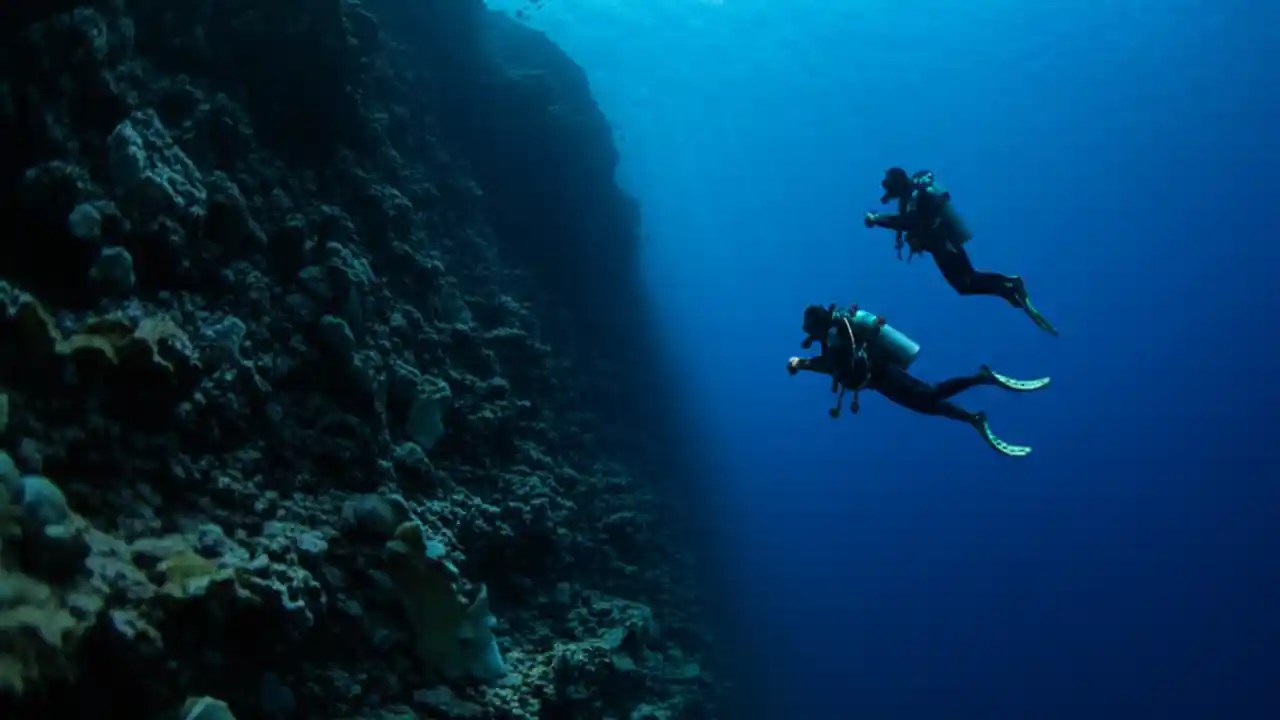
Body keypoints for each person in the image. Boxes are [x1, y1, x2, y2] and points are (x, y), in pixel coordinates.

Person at [787, 303, 1050, 458]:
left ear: (817, 325)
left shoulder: (836, 333)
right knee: (928, 406)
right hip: (877, 382)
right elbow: (833, 364)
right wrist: (808, 364)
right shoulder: (831, 338)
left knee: (931, 395)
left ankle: (982, 377)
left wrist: (803, 363)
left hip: (881, 373)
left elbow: (833, 361)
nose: (810, 334)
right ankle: (973, 418)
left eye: (810, 329)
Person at [864, 167, 1058, 336]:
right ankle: (1004, 289)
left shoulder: (914, 194)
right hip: (937, 247)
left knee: (968, 279)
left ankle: (1011, 284)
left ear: (897, 182)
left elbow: (908, 222)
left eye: (888, 185)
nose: (887, 190)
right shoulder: (907, 201)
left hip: (944, 242)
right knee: (963, 286)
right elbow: (907, 222)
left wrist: (878, 219)